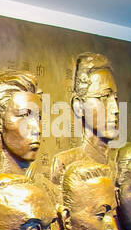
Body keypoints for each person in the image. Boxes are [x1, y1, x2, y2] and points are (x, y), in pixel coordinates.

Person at [47, 52, 122, 185]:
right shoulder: (66, 163)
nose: (115, 109)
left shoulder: (121, 164)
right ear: (79, 106)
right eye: (104, 97)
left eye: (115, 98)